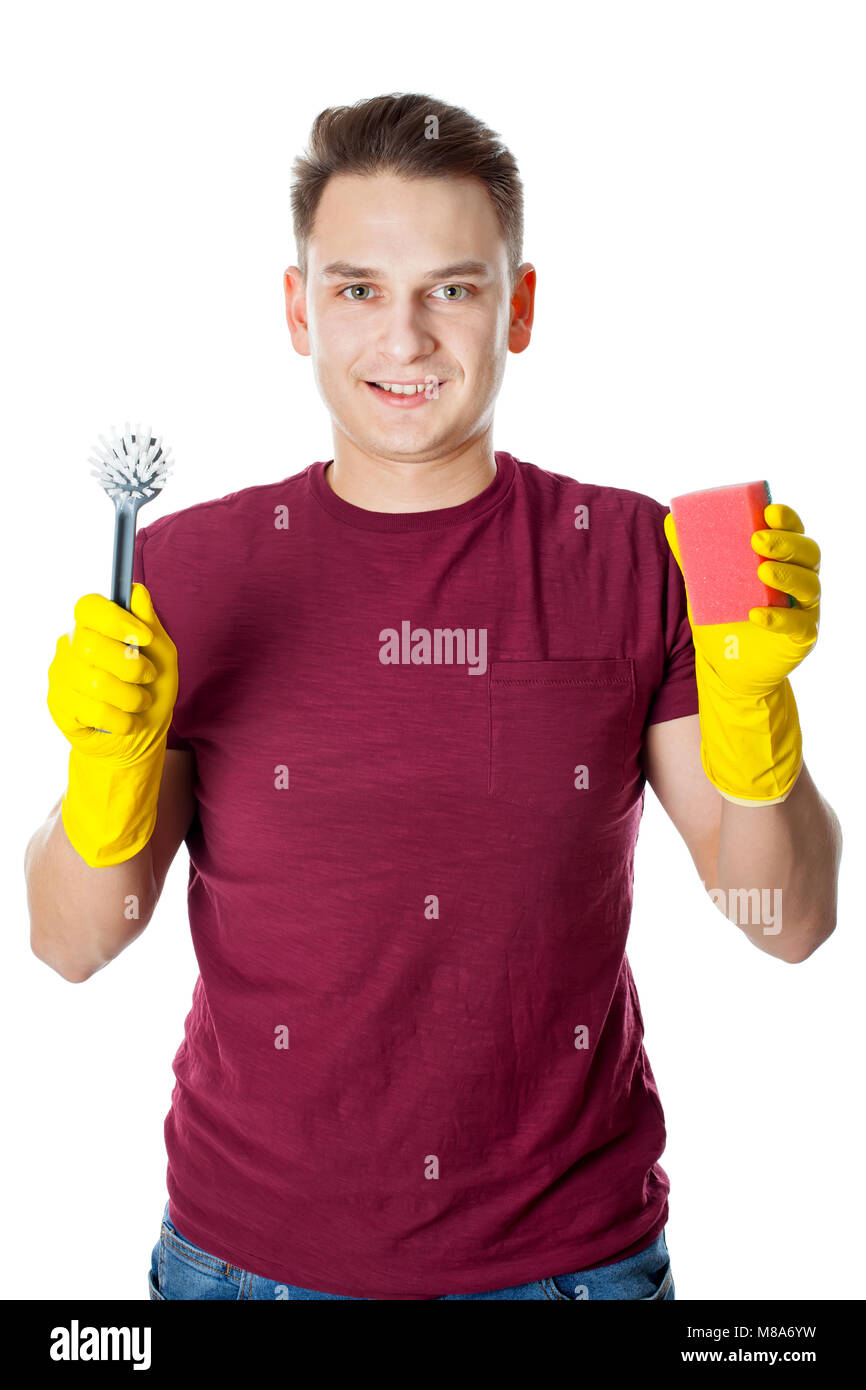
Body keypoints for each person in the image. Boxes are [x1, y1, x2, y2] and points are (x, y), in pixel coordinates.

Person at [27, 92, 841, 1302]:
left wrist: (756, 722)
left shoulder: (632, 555)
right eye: (357, 289)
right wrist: (103, 777)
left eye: (451, 290)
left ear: (516, 308)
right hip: (244, 1265)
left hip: (570, 1268)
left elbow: (784, 920)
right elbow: (70, 942)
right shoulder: (182, 571)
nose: (403, 341)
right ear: (298, 307)